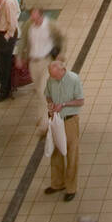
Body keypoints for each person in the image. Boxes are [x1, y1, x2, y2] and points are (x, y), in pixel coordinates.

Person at [44, 58, 84, 201]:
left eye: (54, 75)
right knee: (56, 152)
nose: (52, 78)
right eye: (51, 75)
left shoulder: (74, 79)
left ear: (62, 70)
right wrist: (50, 104)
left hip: (70, 120)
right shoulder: (51, 80)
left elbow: (81, 100)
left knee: (72, 153)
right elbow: (47, 95)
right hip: (56, 120)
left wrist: (64, 104)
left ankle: (71, 187)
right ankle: (57, 183)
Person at [19, 6, 64, 133]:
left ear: (41, 15)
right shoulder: (28, 26)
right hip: (33, 62)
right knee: (39, 90)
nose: (33, 19)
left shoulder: (50, 25)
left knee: (41, 91)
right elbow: (23, 41)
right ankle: (48, 113)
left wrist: (61, 54)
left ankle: (44, 124)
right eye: (31, 16)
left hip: (46, 61)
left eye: (35, 16)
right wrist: (20, 56)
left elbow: (62, 38)